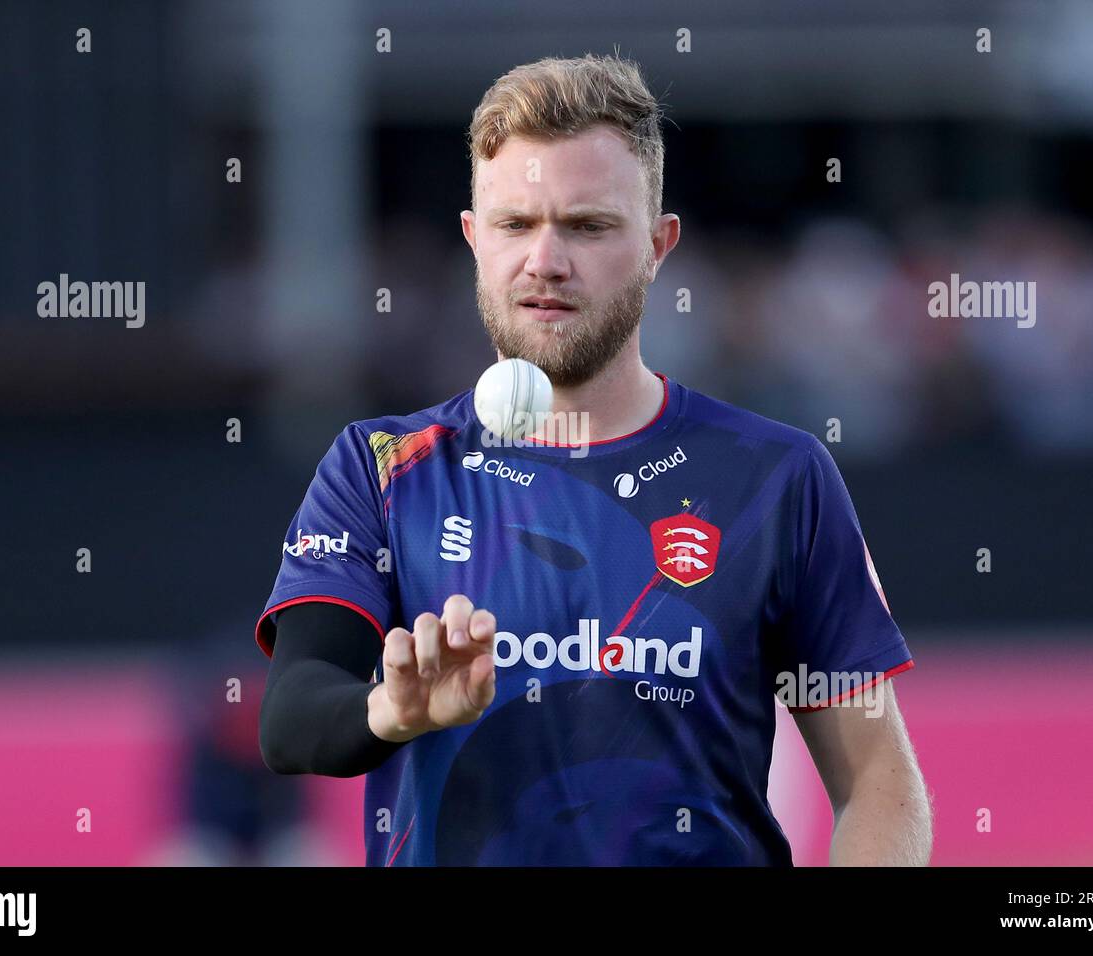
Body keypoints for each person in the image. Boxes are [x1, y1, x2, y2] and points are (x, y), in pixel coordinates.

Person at [256, 53, 931, 866]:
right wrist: (387, 713)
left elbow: (877, 780)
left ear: (657, 244)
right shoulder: (382, 467)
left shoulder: (776, 476)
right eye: (515, 224)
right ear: (474, 239)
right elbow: (293, 717)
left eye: (587, 225)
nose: (545, 260)